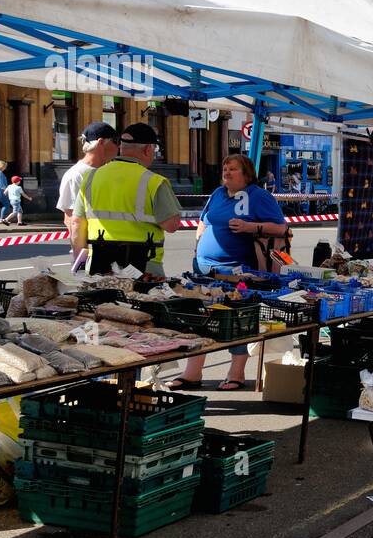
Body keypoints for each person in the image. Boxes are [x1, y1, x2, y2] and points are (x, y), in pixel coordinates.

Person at [168, 154, 290, 391]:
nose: (226, 172)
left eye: (232, 169)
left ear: (246, 173)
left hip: (238, 271)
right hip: (204, 269)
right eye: (225, 168)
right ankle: (192, 373)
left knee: (236, 321)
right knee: (200, 319)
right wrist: (198, 247)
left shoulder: (259, 196)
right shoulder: (217, 194)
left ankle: (236, 373)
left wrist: (250, 227)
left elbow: (280, 227)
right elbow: (204, 221)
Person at [71, 123, 183, 275]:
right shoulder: (154, 181)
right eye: (154, 150)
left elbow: (77, 222)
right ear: (147, 149)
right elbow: (172, 225)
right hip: (144, 268)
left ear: (121, 148)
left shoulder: (90, 177)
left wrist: (80, 263)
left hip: (99, 266)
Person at [56, 122, 119, 241]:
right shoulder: (76, 175)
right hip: (94, 250)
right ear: (101, 142)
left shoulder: (109, 170)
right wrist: (81, 253)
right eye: (115, 141)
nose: (118, 146)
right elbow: (71, 219)